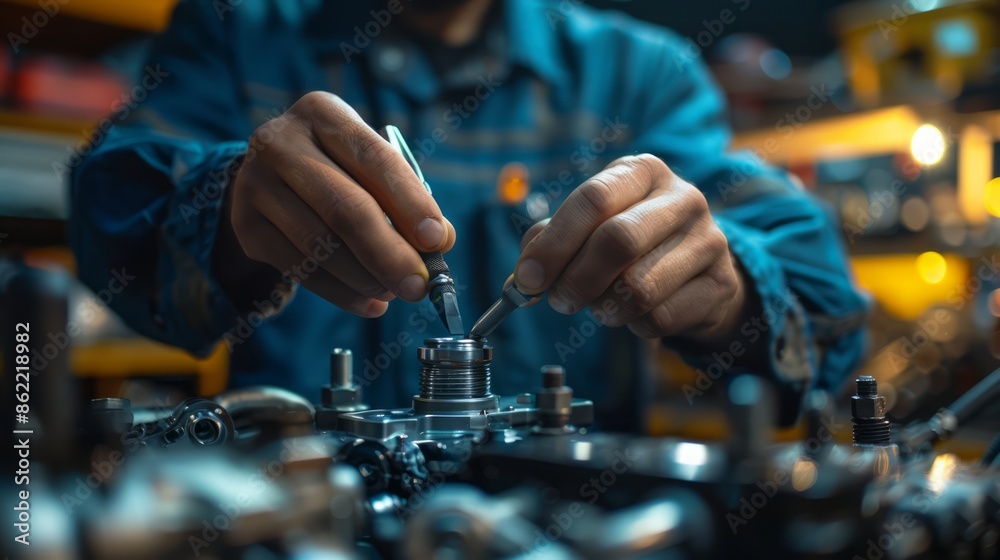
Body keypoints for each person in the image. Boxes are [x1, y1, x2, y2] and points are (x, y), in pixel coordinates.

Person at [69, 0, 868, 430]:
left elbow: (830, 315)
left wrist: (728, 290)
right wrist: (232, 200)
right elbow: (107, 219)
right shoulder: (233, 29)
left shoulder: (642, 77)